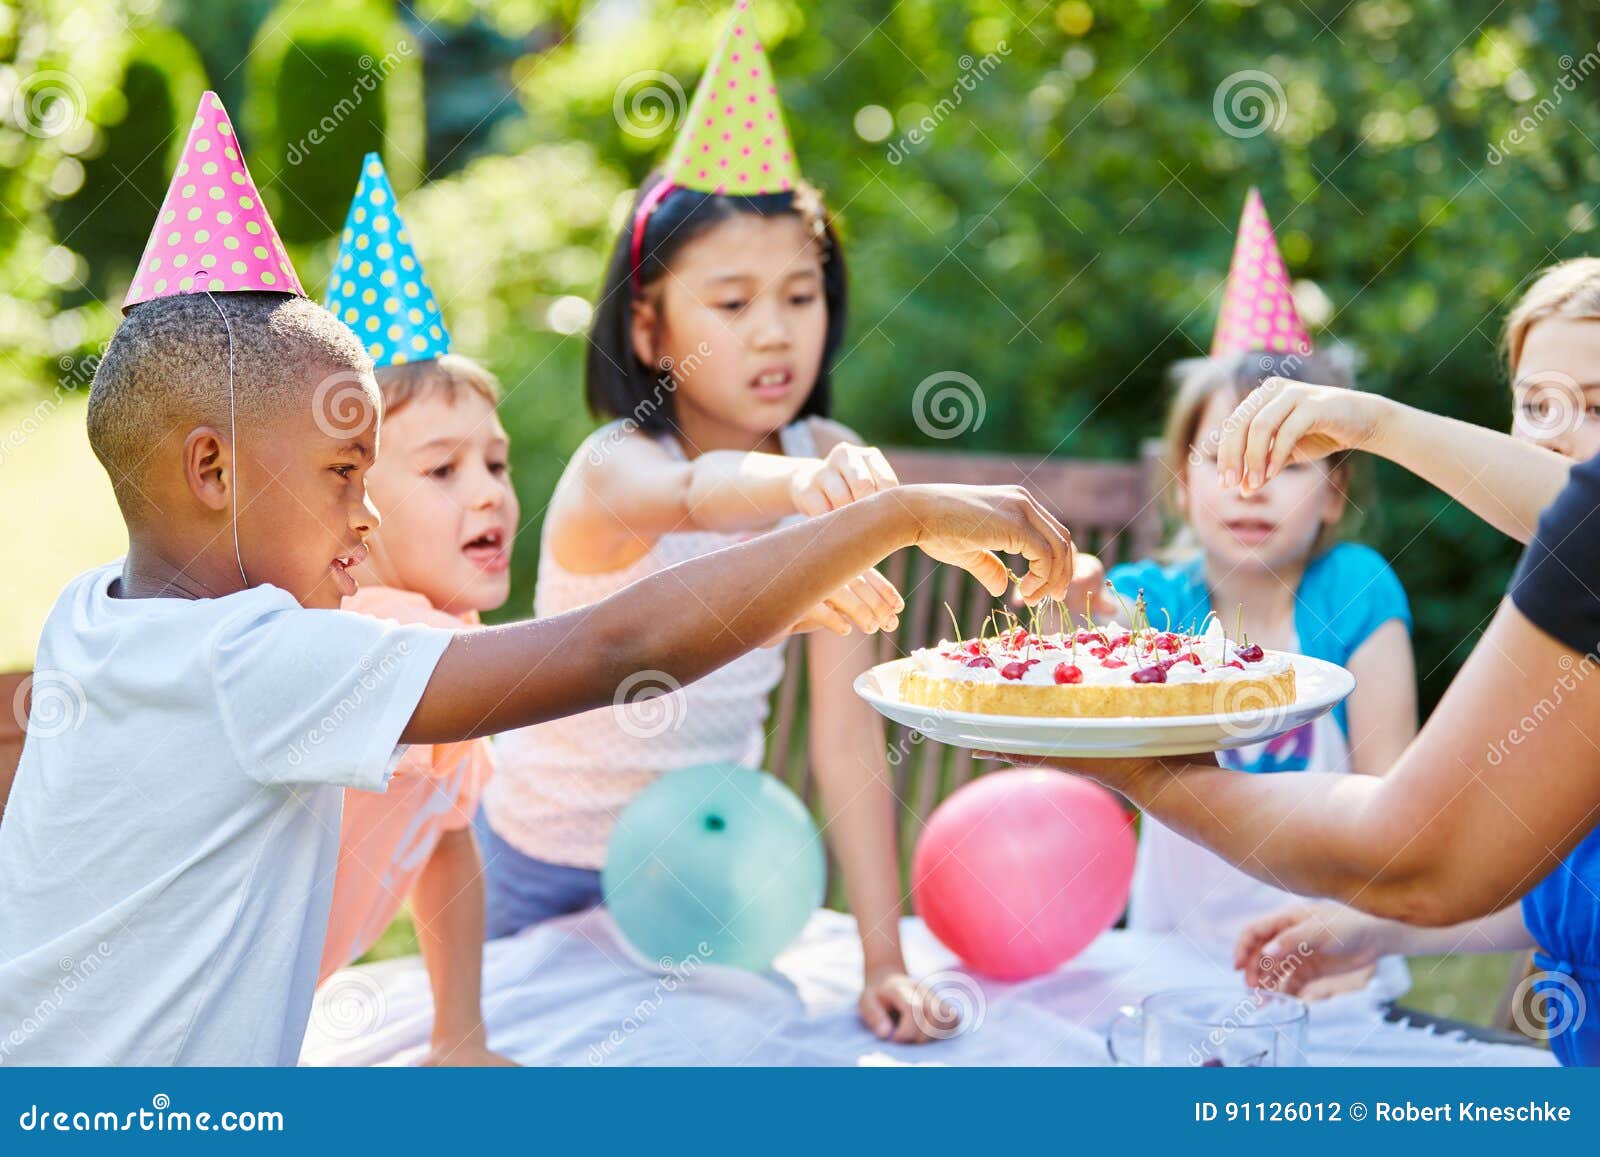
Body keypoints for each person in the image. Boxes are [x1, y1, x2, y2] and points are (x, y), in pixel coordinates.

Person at [0, 93, 1076, 1066]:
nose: (365, 513)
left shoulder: (93, 614)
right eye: (343, 474)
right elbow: (617, 649)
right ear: (210, 467)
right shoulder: (259, 659)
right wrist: (893, 513)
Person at [480, 0, 946, 1041]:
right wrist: (808, 494)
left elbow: (845, 727)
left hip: (703, 871)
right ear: (649, 325)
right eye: (731, 304)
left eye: (800, 294)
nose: (775, 331)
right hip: (534, 866)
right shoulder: (617, 467)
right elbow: (694, 496)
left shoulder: (829, 460)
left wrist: (884, 955)